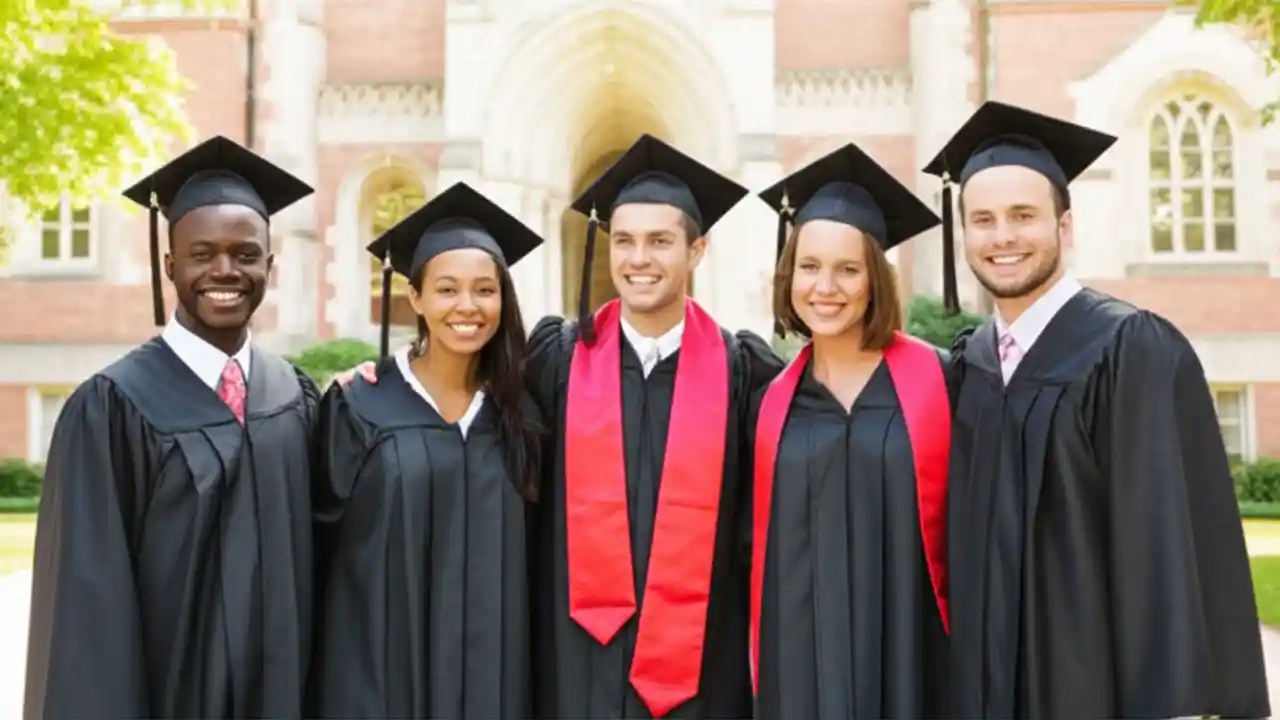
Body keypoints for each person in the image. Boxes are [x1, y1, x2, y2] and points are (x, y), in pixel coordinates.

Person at [922, 100, 1270, 718]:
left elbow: (1164, 551)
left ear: (1065, 226)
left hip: (1094, 693)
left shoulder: (1129, 350)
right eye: (983, 219)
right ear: (965, 234)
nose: (1002, 236)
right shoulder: (968, 365)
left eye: (1023, 216)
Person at [24, 136, 318, 719]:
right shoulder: (112, 407)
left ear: (270, 265)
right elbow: (84, 610)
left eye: (245, 253)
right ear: (170, 265)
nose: (225, 271)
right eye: (202, 253)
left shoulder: (294, 396)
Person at [526, 134, 783, 719]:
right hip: (576, 663)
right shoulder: (558, 361)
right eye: (624, 241)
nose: (638, 259)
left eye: (660, 242)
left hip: (699, 667)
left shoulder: (742, 371)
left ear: (697, 251)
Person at [307, 182, 544, 719]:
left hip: (498, 691)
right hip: (381, 688)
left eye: (485, 290)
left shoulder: (522, 416)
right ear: (415, 297)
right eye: (447, 289)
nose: (468, 306)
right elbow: (317, 558)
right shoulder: (360, 407)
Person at [749, 143, 952, 719]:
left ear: (874, 281)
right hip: (800, 670)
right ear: (789, 277)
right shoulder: (769, 406)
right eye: (809, 267)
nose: (825, 287)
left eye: (847, 269)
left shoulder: (940, 381)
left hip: (913, 660)